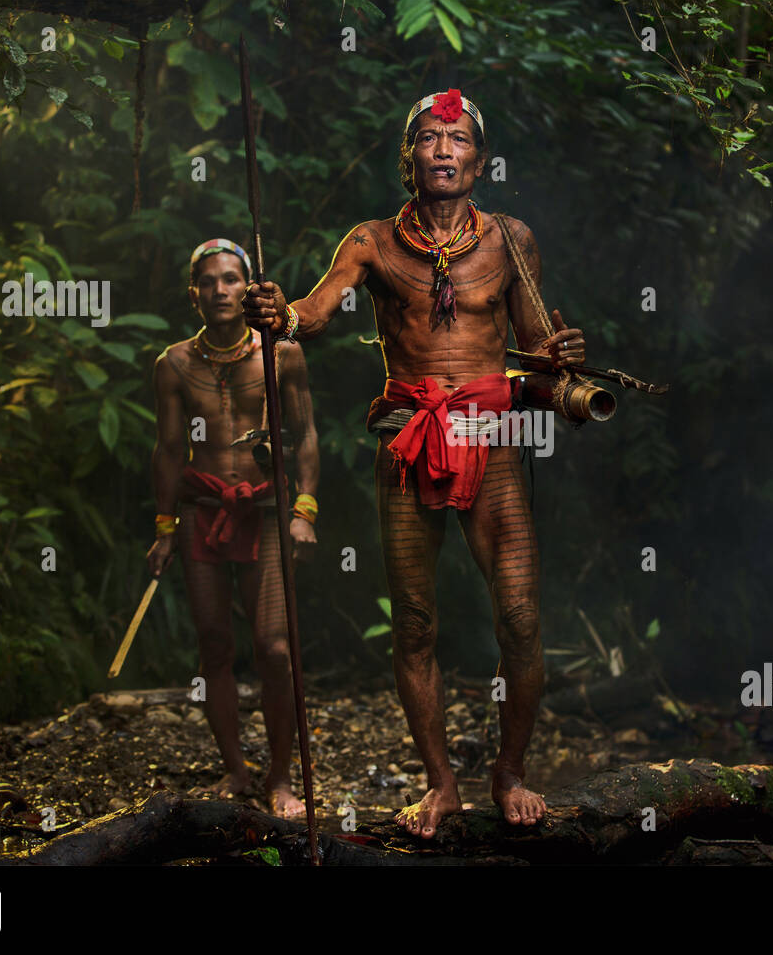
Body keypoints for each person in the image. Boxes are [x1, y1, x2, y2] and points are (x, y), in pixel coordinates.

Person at [244, 89, 586, 838]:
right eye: (428, 139)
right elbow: (316, 308)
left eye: (456, 139)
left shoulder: (511, 239)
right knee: (415, 625)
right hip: (408, 438)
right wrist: (281, 314)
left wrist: (560, 360)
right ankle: (440, 784)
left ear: (480, 160)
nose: (442, 150)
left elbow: (535, 347)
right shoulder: (371, 241)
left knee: (523, 620)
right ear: (408, 158)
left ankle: (510, 771)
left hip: (491, 442)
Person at [147, 238, 320, 817]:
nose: (220, 290)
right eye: (208, 281)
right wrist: (165, 527)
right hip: (201, 511)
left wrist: (305, 511)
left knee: (274, 647)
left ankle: (280, 777)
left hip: (266, 509)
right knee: (214, 644)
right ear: (192, 293)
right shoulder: (172, 364)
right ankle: (236, 769)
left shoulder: (281, 354)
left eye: (230, 280)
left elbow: (307, 435)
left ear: (249, 289)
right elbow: (169, 449)